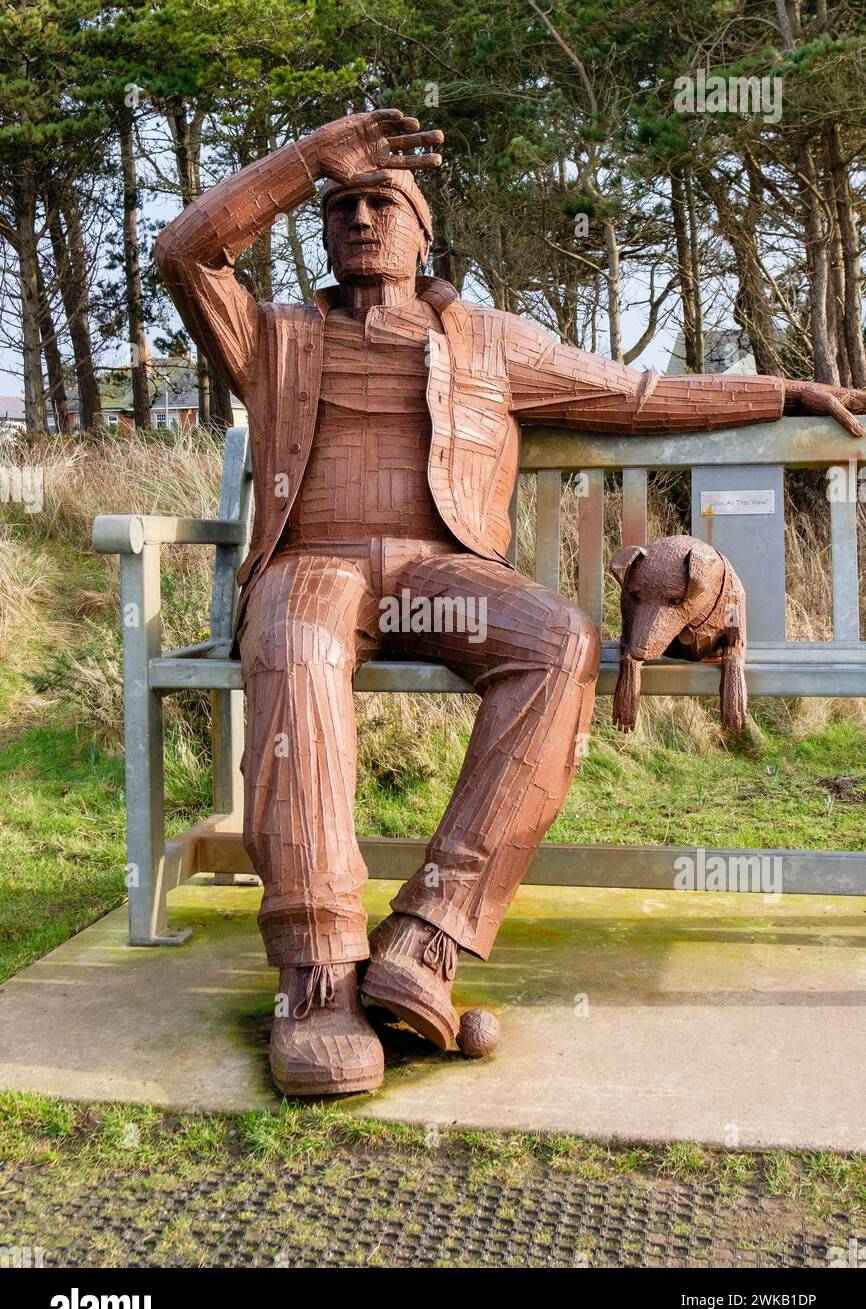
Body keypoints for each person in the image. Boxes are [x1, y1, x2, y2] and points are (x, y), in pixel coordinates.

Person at [155, 109, 865, 1095]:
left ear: (422, 233)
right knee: (296, 639)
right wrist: (312, 158)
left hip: (441, 573)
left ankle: (424, 941)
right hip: (312, 564)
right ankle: (316, 976)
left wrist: (780, 390)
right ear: (319, 231)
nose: (360, 217)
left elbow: (639, 392)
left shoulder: (487, 339)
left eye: (382, 202)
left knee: (556, 636)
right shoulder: (273, 336)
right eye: (341, 205)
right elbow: (184, 250)